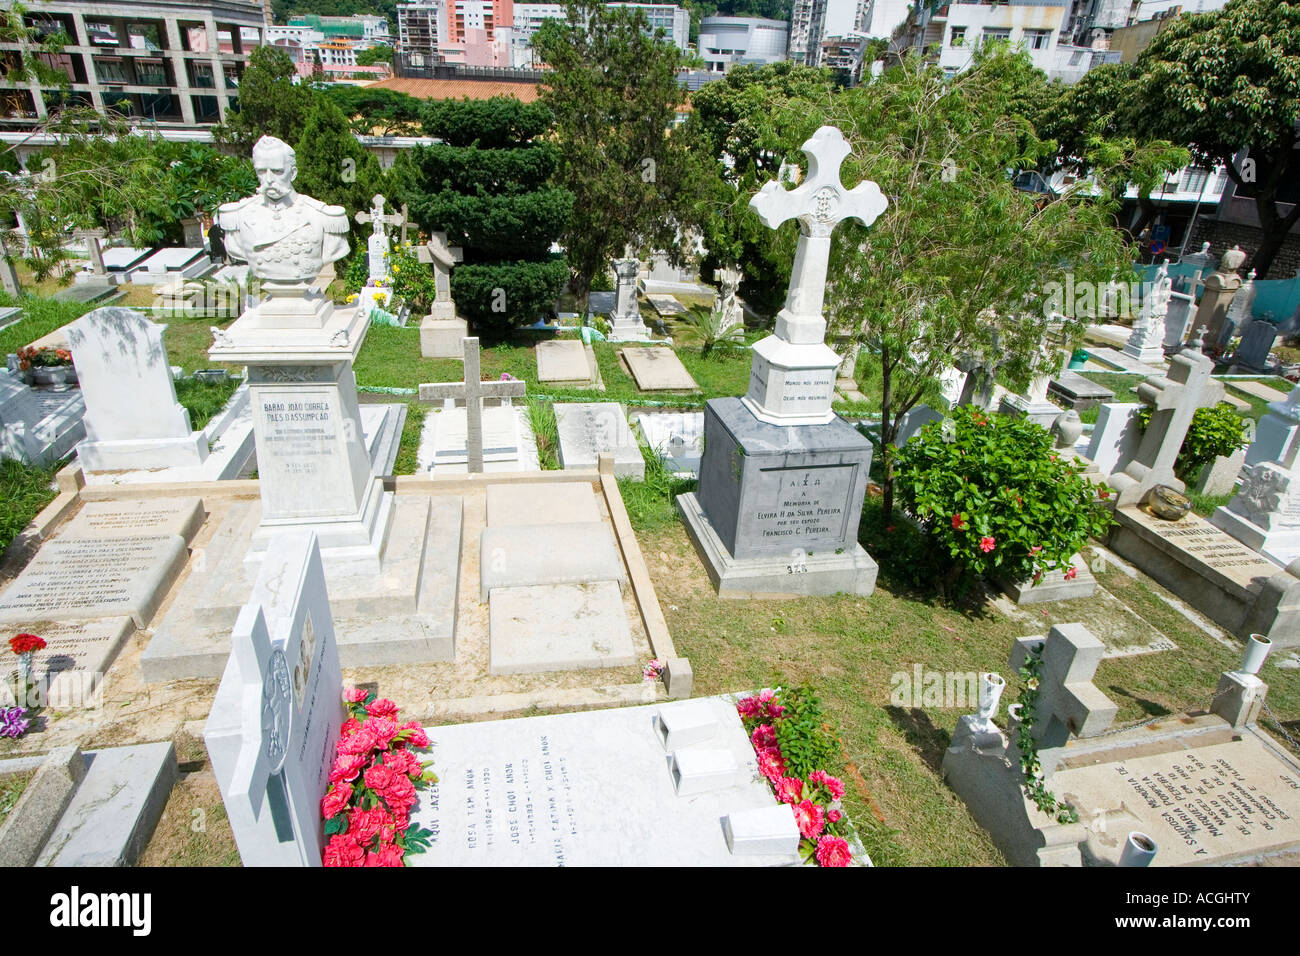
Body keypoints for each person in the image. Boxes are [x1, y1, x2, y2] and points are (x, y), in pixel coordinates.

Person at [218, 135, 349, 286]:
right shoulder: (239, 215)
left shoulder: (320, 215)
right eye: (261, 171)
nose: (269, 179)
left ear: (293, 173)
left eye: (277, 171)